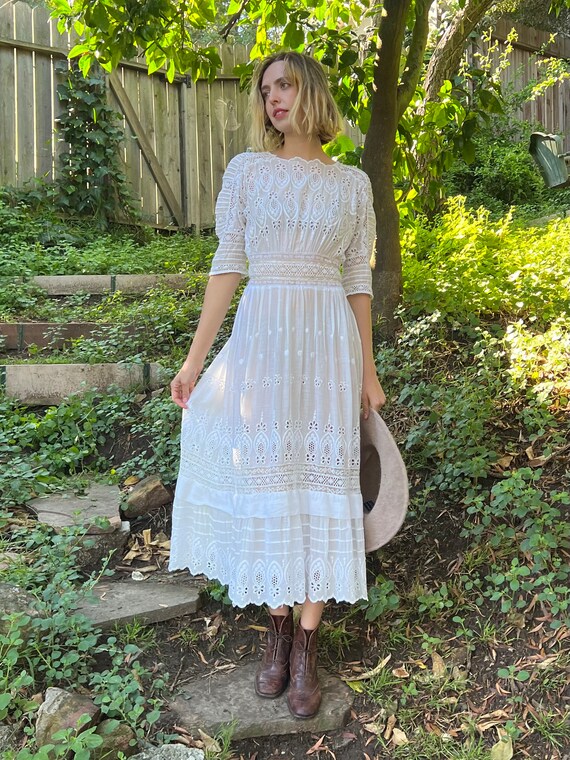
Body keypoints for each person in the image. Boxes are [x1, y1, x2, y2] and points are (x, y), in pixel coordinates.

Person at [169, 51, 386, 719]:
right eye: (267, 90)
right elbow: (228, 264)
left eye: (285, 86)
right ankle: (276, 632)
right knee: (266, 473)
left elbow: (358, 283)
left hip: (325, 347)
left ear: (310, 92)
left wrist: (368, 370)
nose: (274, 100)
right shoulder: (247, 172)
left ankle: (307, 650)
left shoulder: (351, 185)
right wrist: (196, 358)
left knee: (321, 481)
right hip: (263, 341)